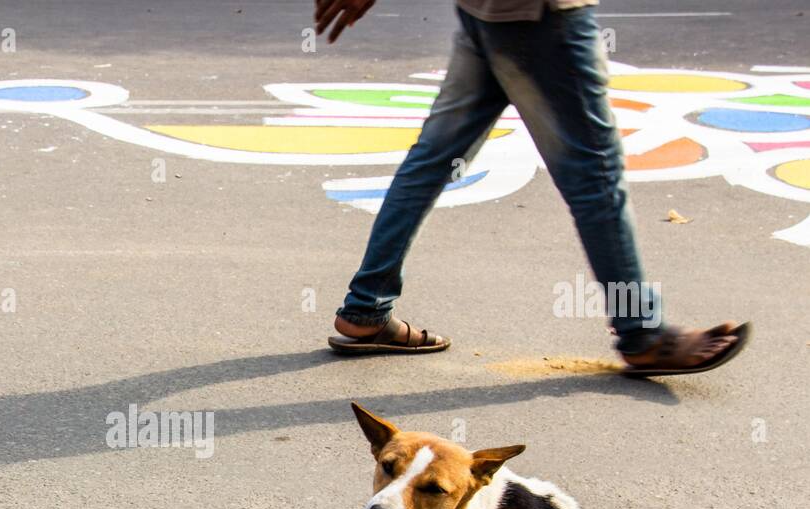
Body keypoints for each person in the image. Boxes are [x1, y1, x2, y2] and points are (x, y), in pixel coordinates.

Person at [313, 0, 749, 377]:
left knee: (434, 159)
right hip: (542, 19)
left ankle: (367, 306)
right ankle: (643, 333)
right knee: (595, 175)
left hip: (486, 15)